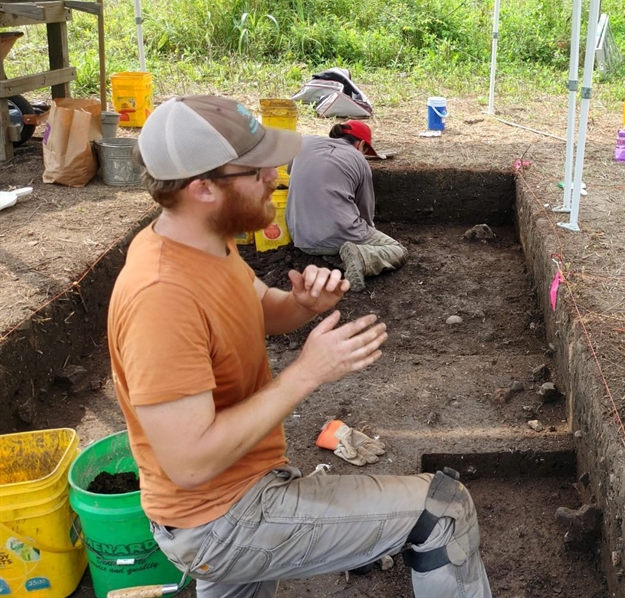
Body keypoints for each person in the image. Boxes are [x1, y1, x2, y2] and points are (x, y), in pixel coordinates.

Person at [108, 95, 491, 598]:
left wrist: (304, 304)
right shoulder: (161, 297)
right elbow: (190, 462)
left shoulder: (205, 241)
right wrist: (309, 371)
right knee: (443, 511)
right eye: (257, 168)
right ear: (202, 187)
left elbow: (260, 306)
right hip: (220, 519)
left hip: (232, 495)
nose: (275, 174)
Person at [285, 120, 408, 292]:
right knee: (398, 251)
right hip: (339, 235)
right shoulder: (359, 160)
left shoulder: (304, 143)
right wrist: (367, 234)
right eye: (366, 151)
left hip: (300, 237)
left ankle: (336, 257)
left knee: (333, 246)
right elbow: (365, 212)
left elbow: (292, 174)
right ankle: (362, 256)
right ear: (362, 144)